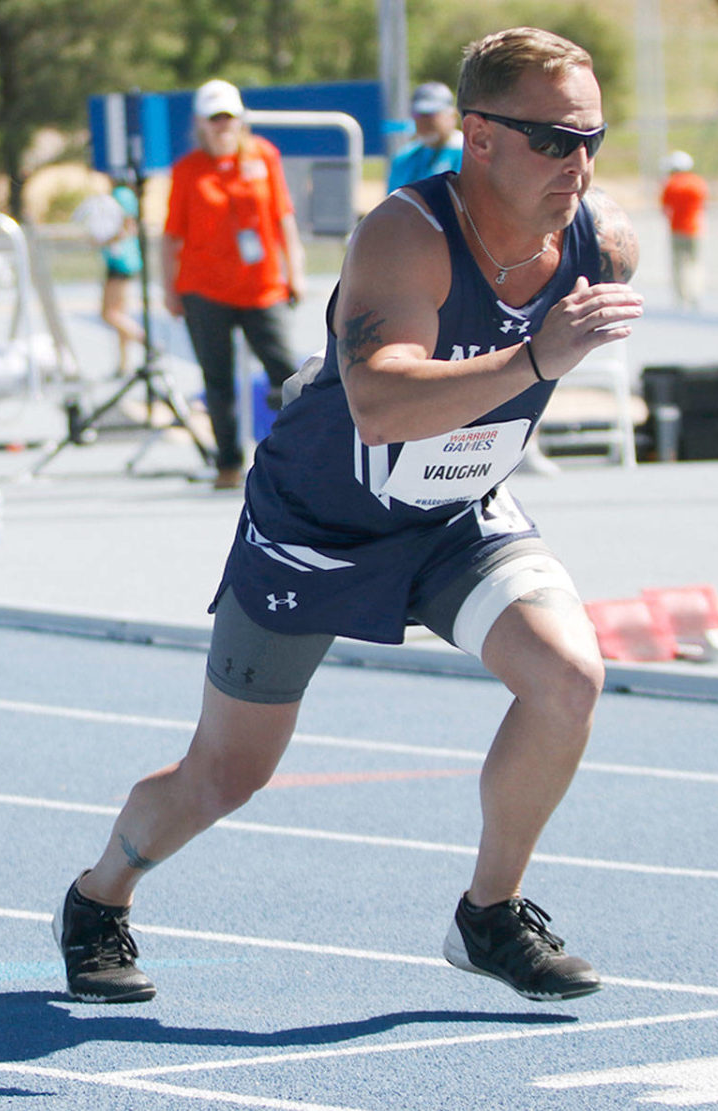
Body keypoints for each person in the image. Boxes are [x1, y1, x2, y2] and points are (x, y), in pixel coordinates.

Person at [55, 27, 642, 1007]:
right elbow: (379, 401)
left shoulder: (603, 239)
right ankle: (98, 896)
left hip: (456, 512)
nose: (578, 162)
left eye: (594, 137)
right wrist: (536, 359)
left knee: (569, 677)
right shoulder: (406, 236)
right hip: (314, 524)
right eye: (553, 139)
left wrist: (535, 363)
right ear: (481, 136)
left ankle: (489, 913)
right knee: (226, 774)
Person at [163, 79, 308, 489]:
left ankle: (293, 457)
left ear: (240, 119)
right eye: (214, 119)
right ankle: (228, 463)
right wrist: (169, 288)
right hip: (204, 289)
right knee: (218, 379)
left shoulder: (264, 157)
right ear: (200, 124)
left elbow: (283, 219)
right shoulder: (188, 170)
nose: (222, 126)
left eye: (228, 117)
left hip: (261, 286)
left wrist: (293, 269)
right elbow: (171, 236)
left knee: (286, 373)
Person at [97, 182, 148, 376]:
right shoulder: (122, 194)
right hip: (122, 261)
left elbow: (127, 227)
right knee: (119, 311)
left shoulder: (122, 195)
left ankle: (145, 340)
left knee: (109, 313)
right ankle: (124, 363)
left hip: (121, 262)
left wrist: (104, 239)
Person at [387, 82, 466, 194]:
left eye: (432, 114)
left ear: (453, 116)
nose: (425, 121)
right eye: (419, 114)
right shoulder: (405, 157)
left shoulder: (469, 154)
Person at [660, 150, 707, 311]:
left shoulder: (671, 184)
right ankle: (695, 294)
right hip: (695, 229)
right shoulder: (698, 183)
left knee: (679, 265)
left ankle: (681, 297)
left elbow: (665, 208)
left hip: (677, 229)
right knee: (695, 264)